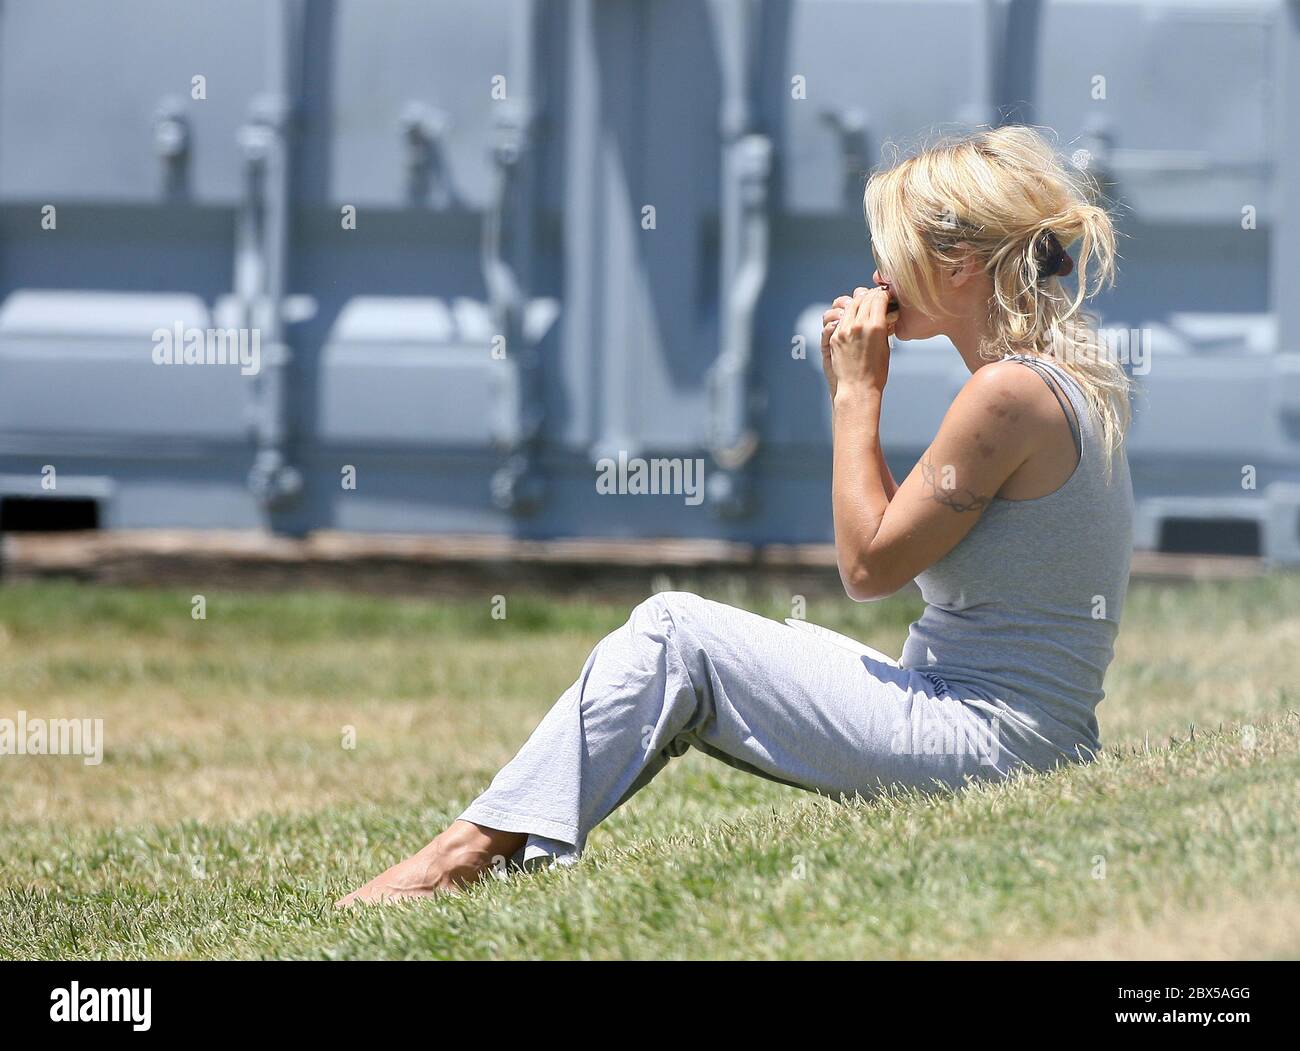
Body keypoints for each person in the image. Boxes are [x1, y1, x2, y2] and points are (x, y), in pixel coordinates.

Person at [337, 124, 1134, 905]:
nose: (876, 269)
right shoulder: (1056, 379)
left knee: (674, 632)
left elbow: (868, 566)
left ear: (958, 265)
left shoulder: (1005, 394)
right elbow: (899, 538)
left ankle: (465, 854)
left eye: (891, 247)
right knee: (707, 646)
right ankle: (497, 841)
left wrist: (856, 394)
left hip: (988, 743)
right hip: (1018, 733)